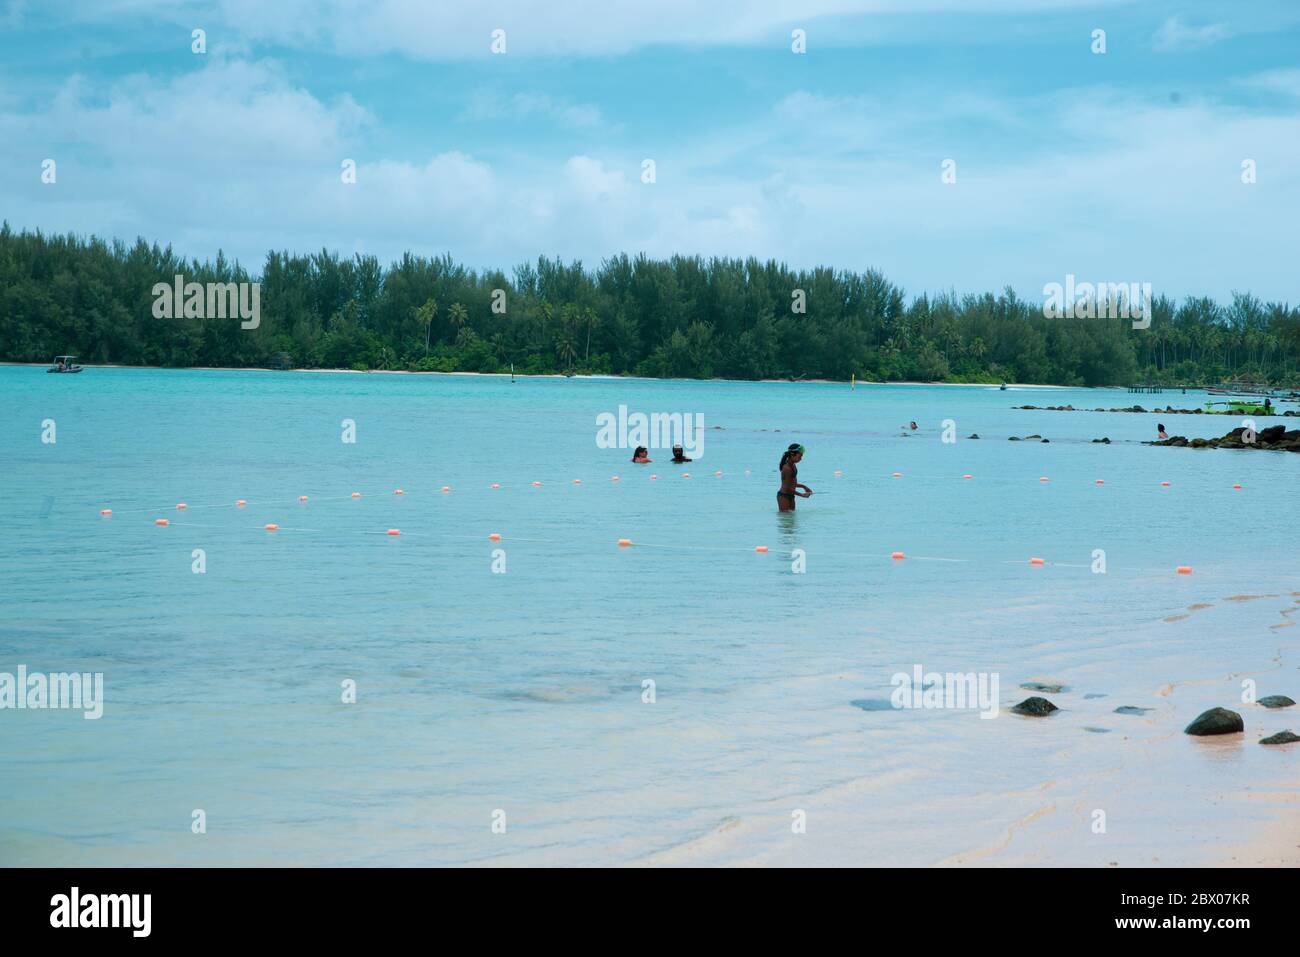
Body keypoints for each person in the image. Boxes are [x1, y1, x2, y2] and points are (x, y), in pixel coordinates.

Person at [777, 443, 812, 511]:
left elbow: (791, 483)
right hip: (784, 496)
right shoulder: (787, 468)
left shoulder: (793, 465)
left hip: (791, 495)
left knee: (791, 518)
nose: (801, 459)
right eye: (799, 456)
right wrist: (802, 495)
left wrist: (804, 486)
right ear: (792, 455)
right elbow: (787, 488)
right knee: (786, 519)